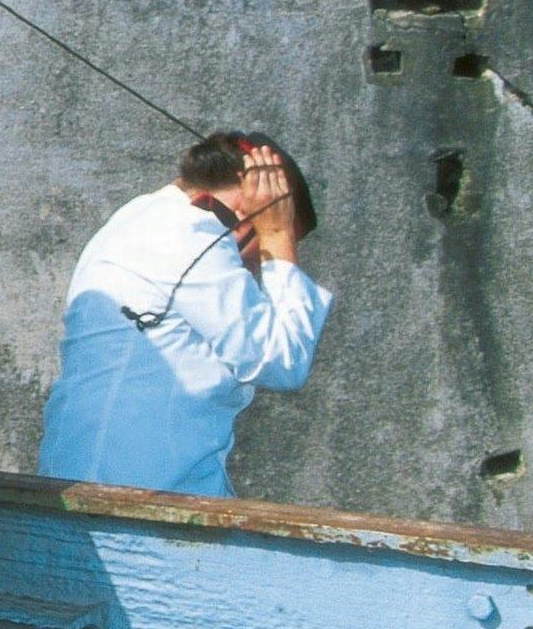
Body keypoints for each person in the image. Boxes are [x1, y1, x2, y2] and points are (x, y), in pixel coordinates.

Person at [37, 134, 328, 497]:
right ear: (246, 209)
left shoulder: (138, 217)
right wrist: (278, 234)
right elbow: (282, 360)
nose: (255, 267)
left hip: (103, 482)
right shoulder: (188, 234)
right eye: (261, 249)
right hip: (134, 499)